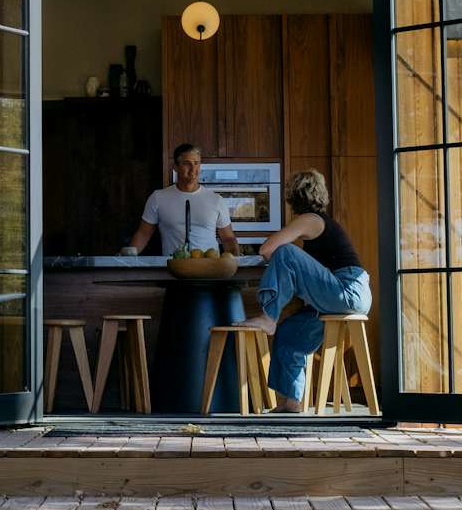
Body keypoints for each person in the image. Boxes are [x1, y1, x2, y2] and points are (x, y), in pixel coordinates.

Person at [239, 168, 370, 412]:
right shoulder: (319, 223)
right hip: (347, 294)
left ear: (292, 197)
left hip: (346, 289)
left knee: (285, 251)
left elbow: (268, 249)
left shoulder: (310, 219)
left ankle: (268, 317)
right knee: (289, 333)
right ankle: (291, 402)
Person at [122, 143, 237, 256]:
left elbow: (228, 238)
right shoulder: (158, 198)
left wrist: (236, 259)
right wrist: (127, 258)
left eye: (196, 163)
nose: (193, 169)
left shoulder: (216, 200)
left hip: (209, 269)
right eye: (187, 163)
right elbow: (143, 234)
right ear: (175, 167)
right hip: (173, 269)